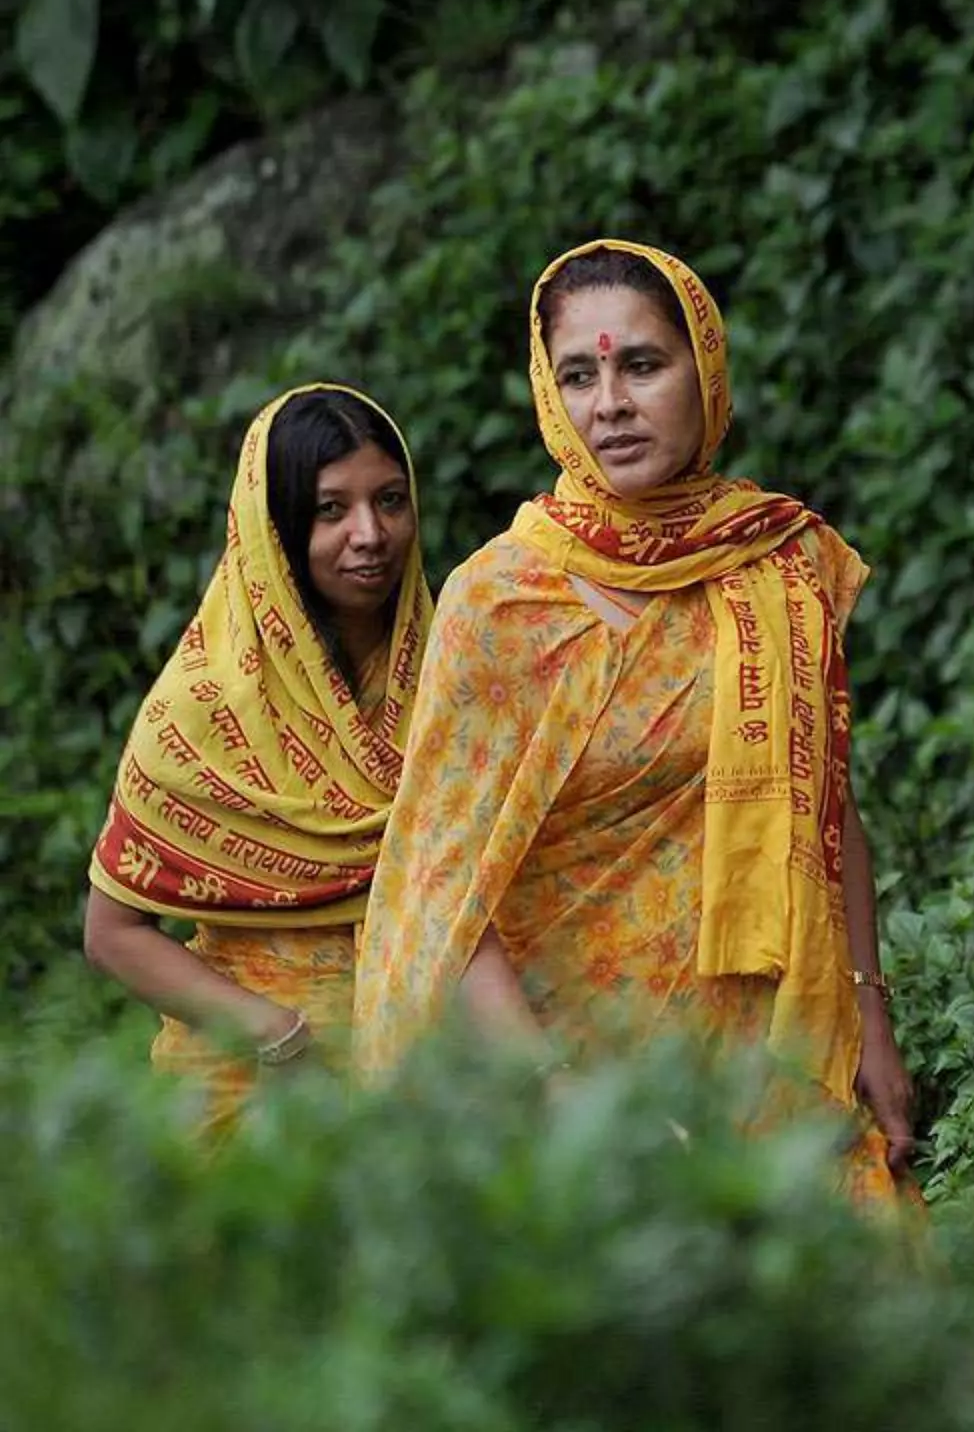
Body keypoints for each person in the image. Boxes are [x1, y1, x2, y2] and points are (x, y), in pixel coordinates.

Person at [351, 239, 915, 1201]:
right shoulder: (504, 603)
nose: (608, 403)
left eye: (641, 365)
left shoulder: (780, 564)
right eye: (578, 375)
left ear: (706, 371)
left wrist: (870, 1020)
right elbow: (448, 901)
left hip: (774, 1056)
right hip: (572, 1079)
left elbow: (829, 810)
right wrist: (568, 1099)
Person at [83, 384, 433, 1136]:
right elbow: (112, 932)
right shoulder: (204, 706)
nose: (370, 533)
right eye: (331, 509)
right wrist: (275, 1032)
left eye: (391, 500)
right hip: (247, 1095)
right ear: (272, 528)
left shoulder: (456, 668)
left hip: (431, 1090)